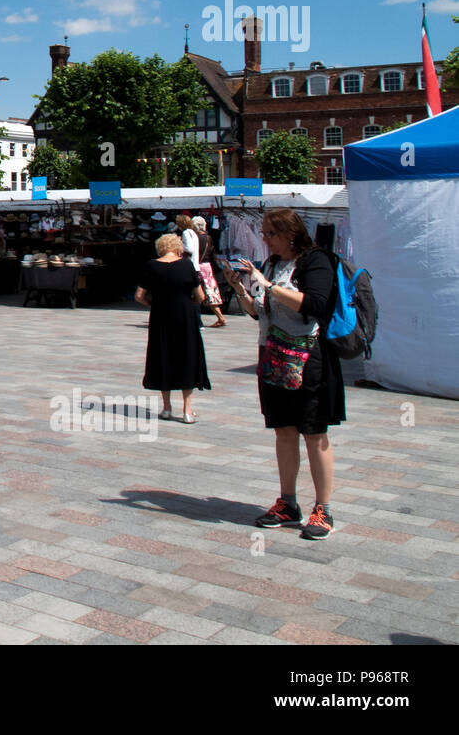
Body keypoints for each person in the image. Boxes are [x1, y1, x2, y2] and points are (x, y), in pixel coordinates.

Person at [222, 208, 344, 541]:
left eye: (269, 233)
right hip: (273, 355)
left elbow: (314, 304)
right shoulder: (271, 264)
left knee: (314, 432)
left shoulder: (316, 261)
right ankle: (287, 502)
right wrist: (242, 290)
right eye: (263, 233)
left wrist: (269, 286)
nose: (264, 239)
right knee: (284, 430)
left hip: (308, 358)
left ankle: (323, 508)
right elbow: (258, 312)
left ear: (290, 233)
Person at [135, 233, 210, 423]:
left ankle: (167, 408)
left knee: (163, 356)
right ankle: (187, 410)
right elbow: (200, 296)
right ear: (178, 246)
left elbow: (139, 296)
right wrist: (189, 302)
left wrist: (154, 304)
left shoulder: (152, 265)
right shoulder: (186, 265)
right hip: (185, 316)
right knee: (187, 357)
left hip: (161, 316)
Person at [192, 216, 227, 327]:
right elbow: (212, 253)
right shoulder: (208, 238)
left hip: (197, 266)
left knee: (196, 292)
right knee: (210, 292)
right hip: (207, 267)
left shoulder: (194, 238)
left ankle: (197, 319)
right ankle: (220, 317)